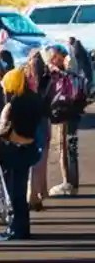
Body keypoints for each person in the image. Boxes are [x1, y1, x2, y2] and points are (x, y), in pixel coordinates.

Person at [0, 68, 44, 241]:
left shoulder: (14, 103)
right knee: (21, 191)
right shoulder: (35, 99)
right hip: (29, 149)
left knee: (14, 192)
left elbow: (8, 129)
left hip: (13, 150)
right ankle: (23, 227)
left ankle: (16, 228)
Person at [46, 45, 86, 197]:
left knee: (62, 148)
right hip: (74, 113)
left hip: (61, 114)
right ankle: (73, 182)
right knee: (72, 147)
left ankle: (66, 182)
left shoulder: (57, 75)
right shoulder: (73, 73)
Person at [25, 50, 52, 210]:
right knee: (41, 158)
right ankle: (38, 193)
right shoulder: (48, 79)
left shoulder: (26, 79)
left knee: (33, 159)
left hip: (31, 120)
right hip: (43, 119)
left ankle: (33, 194)